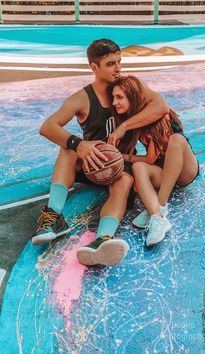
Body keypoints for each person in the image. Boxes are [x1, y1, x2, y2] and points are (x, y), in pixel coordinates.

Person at [32, 39, 169, 267]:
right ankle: (53, 217)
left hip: (119, 167)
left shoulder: (129, 89)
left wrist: (124, 126)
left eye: (119, 62)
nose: (117, 69)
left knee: (125, 181)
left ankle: (103, 239)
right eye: (110, 64)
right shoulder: (83, 98)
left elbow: (161, 106)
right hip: (92, 165)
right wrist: (79, 144)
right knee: (68, 150)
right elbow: (47, 127)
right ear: (94, 67)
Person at [110, 76, 199, 247]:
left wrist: (124, 156)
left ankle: (161, 204)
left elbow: (150, 158)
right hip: (164, 174)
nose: (115, 102)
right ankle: (157, 217)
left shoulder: (157, 115)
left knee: (176, 140)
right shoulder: (133, 119)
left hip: (185, 171)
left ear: (133, 97)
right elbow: (147, 162)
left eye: (120, 97)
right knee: (138, 166)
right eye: (113, 97)